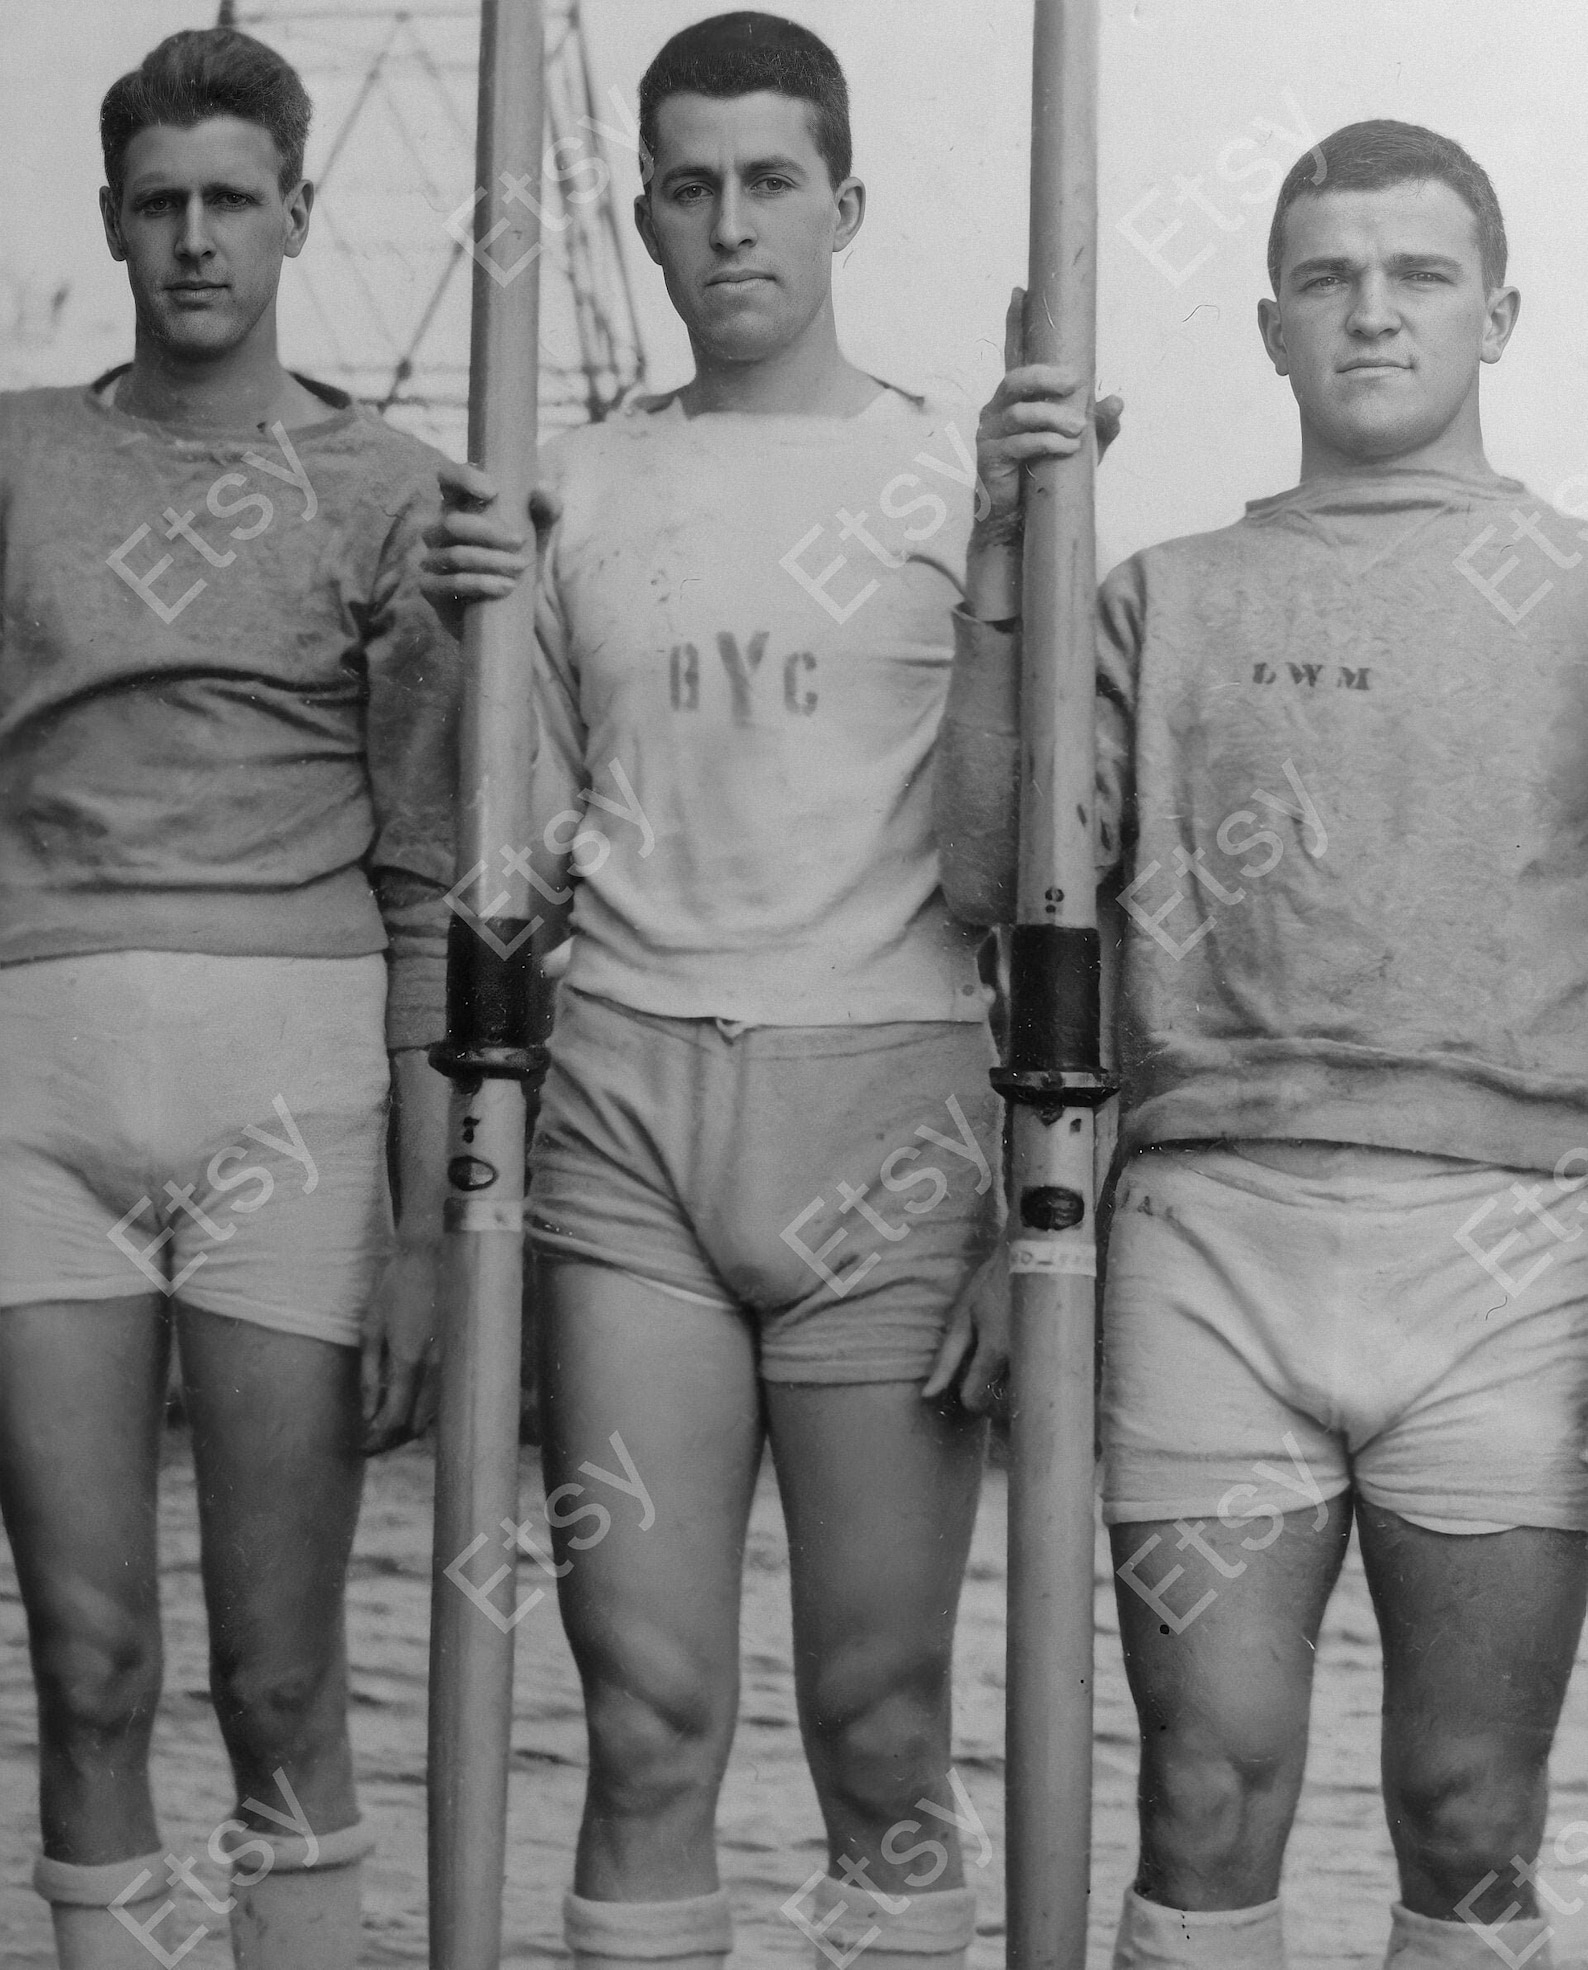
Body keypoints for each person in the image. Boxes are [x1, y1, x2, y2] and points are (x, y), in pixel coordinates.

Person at [423, 14, 1117, 1969]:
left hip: (882, 1115)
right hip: (627, 1112)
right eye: (687, 185)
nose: (729, 222)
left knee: (879, 1728)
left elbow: (1030, 876)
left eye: (770, 182)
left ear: (844, 205)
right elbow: (503, 863)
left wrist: (1002, 544)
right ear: (639, 213)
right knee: (641, 1723)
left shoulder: (955, 475)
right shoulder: (561, 489)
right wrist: (442, 622)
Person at [939, 118, 1588, 1970]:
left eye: (1418, 275)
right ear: (1271, 326)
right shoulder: (1164, 590)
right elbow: (993, 869)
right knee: (1206, 1796)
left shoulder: (1573, 589)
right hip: (1210, 1234)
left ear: (1499, 313)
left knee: (1472, 1817)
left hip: (1512, 1248)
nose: (1370, 313)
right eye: (1327, 279)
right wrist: (1006, 537)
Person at [0, 28, 455, 1969]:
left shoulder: (393, 493)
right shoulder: (15, 457)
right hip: (37, 1087)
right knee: (90, 1663)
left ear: (293, 214)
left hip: (297, 1099)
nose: (196, 241)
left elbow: (431, 886)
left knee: (281, 1677)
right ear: (112, 221)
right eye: (159, 205)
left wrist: (432, 1227)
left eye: (231, 203)